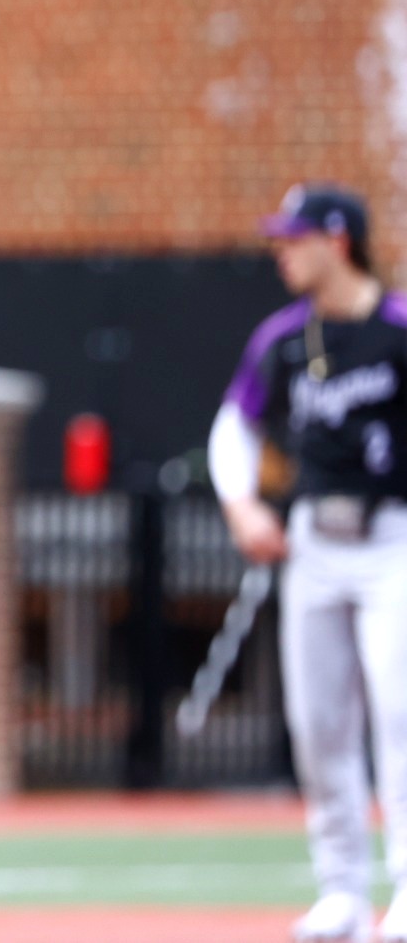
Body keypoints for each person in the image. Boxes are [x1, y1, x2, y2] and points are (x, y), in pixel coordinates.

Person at [211, 184, 407, 943]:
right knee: (319, 722)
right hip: (316, 547)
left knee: (400, 713)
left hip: (394, 539)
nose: (282, 251)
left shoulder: (396, 328)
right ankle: (342, 893)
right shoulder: (285, 338)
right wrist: (243, 506)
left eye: (296, 238)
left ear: (340, 240)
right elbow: (233, 428)